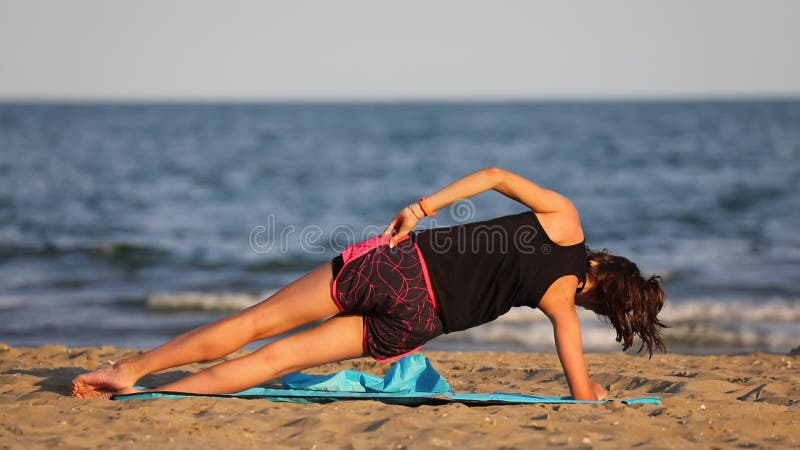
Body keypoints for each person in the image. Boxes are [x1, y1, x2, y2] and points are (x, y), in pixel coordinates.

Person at [72, 167, 667, 401]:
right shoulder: (562, 302)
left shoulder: (566, 222)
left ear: (605, 263)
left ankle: (133, 372)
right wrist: (593, 400)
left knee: (256, 322)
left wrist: (422, 207)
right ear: (602, 298)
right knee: (277, 359)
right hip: (414, 321)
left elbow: (496, 177)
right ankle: (161, 398)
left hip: (397, 265)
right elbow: (579, 385)